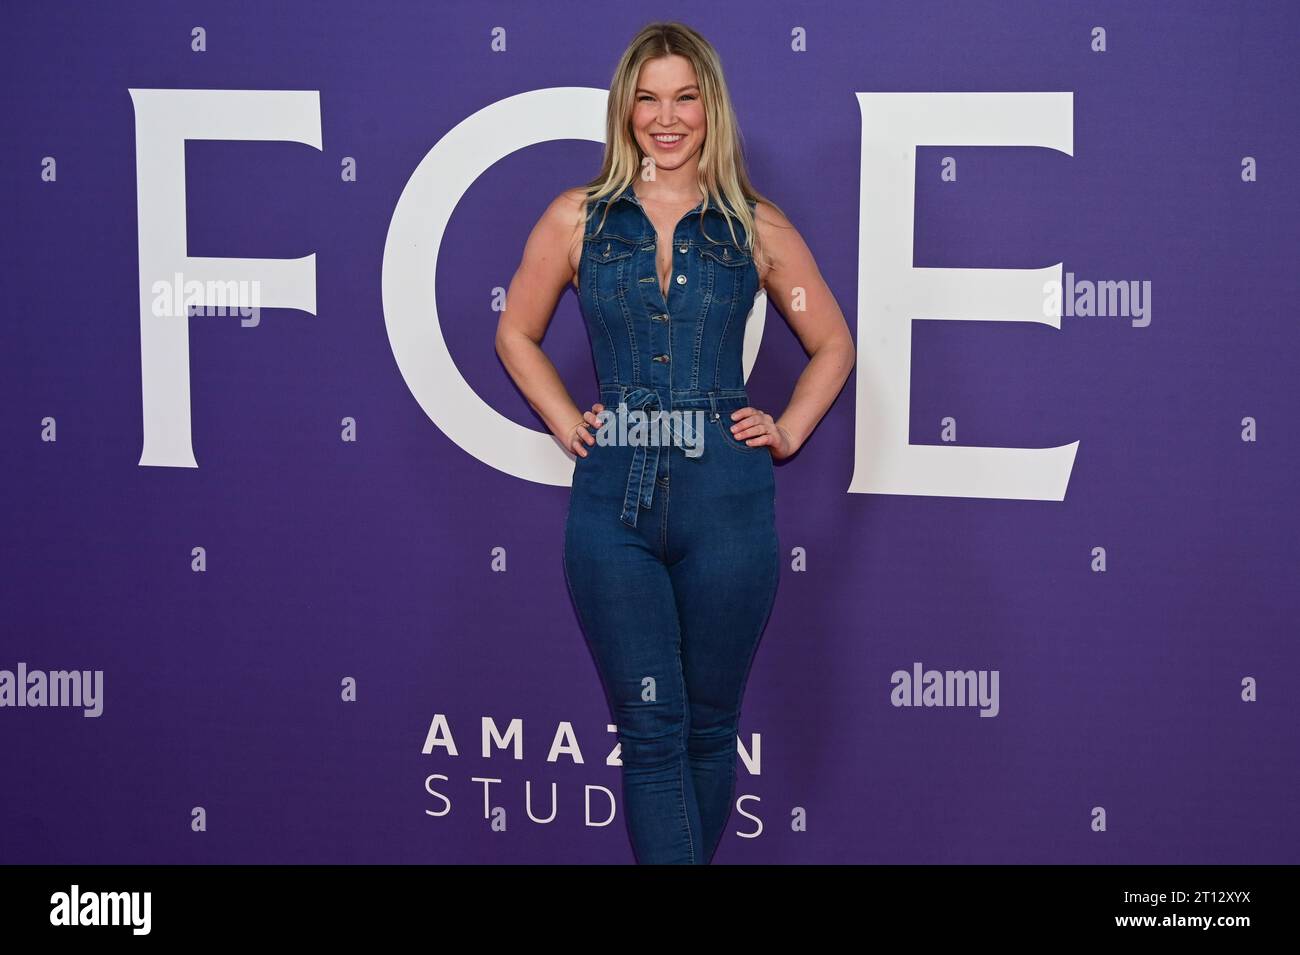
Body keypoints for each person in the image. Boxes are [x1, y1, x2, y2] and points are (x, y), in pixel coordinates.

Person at [495, 21, 855, 863]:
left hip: (726, 501)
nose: (667, 117)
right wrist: (563, 415)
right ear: (625, 111)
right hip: (611, 507)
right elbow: (516, 331)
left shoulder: (757, 227)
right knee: (651, 729)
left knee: (708, 726)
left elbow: (832, 342)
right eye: (648, 99)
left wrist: (791, 427)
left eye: (685, 98)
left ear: (710, 109)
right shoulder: (575, 219)